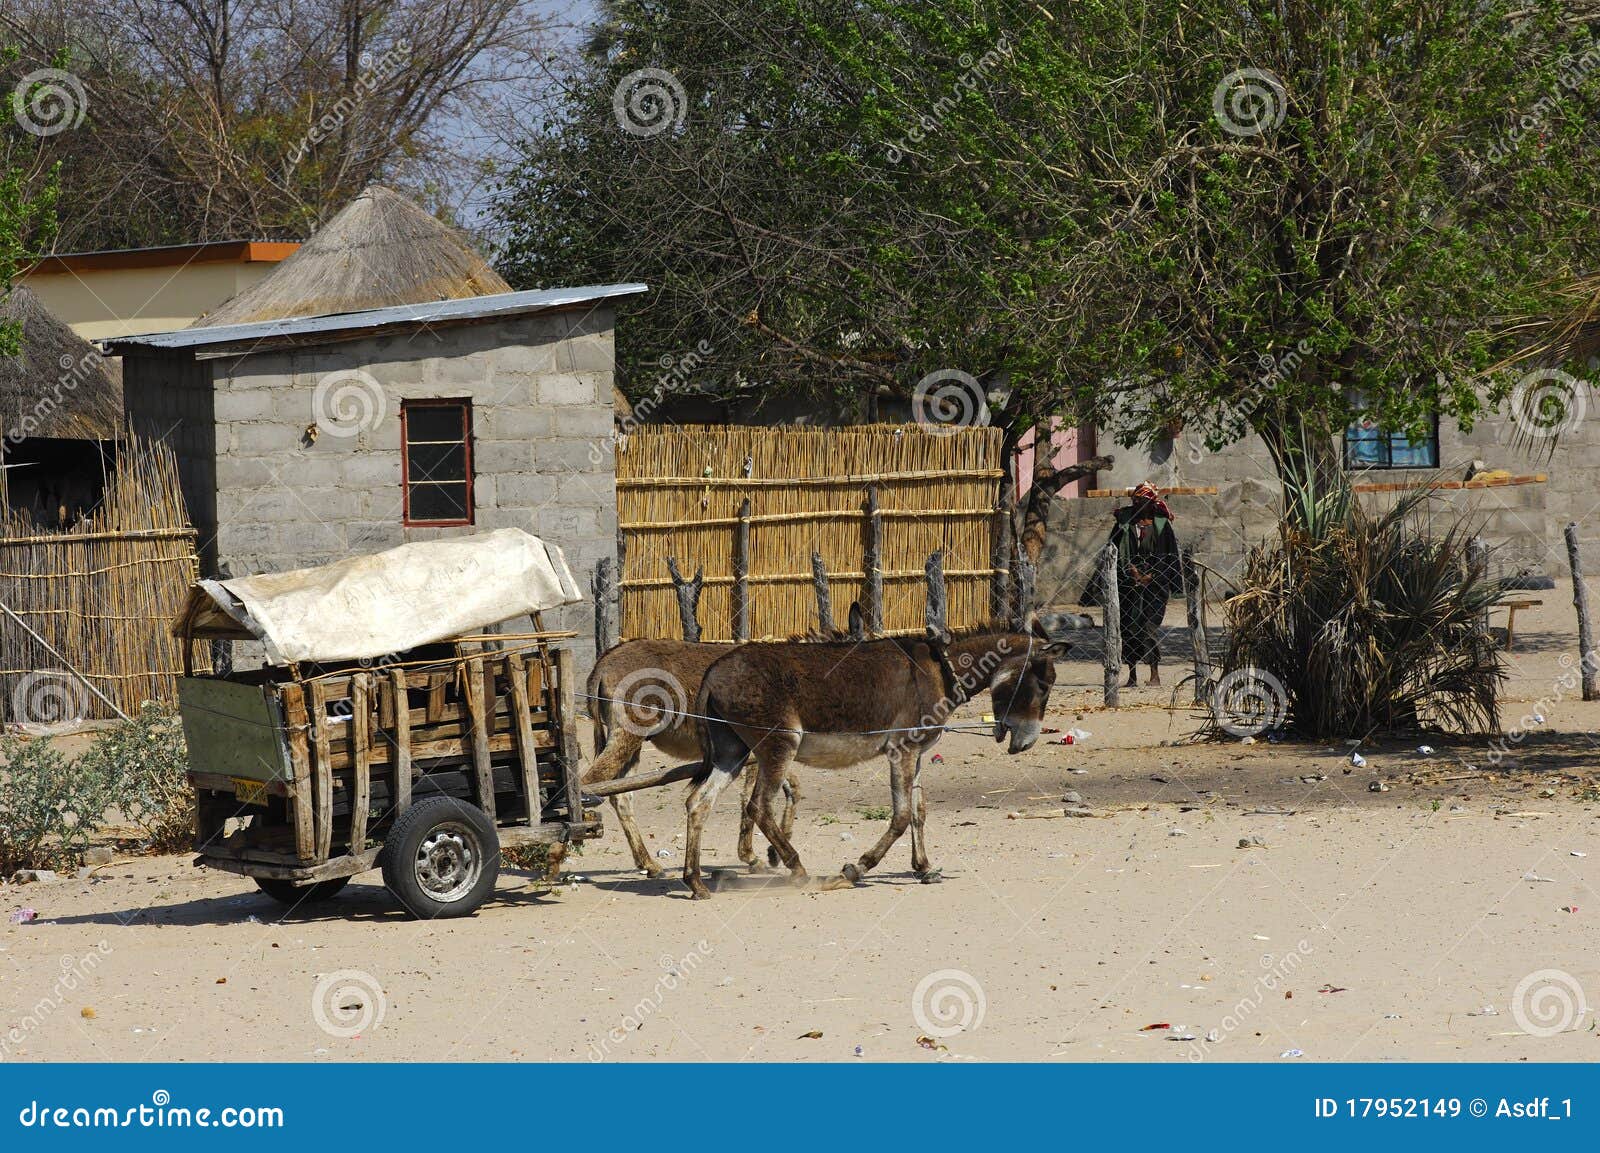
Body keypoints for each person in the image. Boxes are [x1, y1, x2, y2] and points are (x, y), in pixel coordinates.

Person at [1107, 482, 1181, 687]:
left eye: (1142, 501)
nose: (1137, 503)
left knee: (1148, 628)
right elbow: (1112, 550)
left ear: (1151, 503)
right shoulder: (1124, 523)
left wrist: (1152, 575)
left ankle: (1154, 673)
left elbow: (1169, 556)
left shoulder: (1162, 526)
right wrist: (1130, 570)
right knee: (1129, 628)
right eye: (1135, 500)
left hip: (1155, 587)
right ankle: (1132, 675)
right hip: (1128, 585)